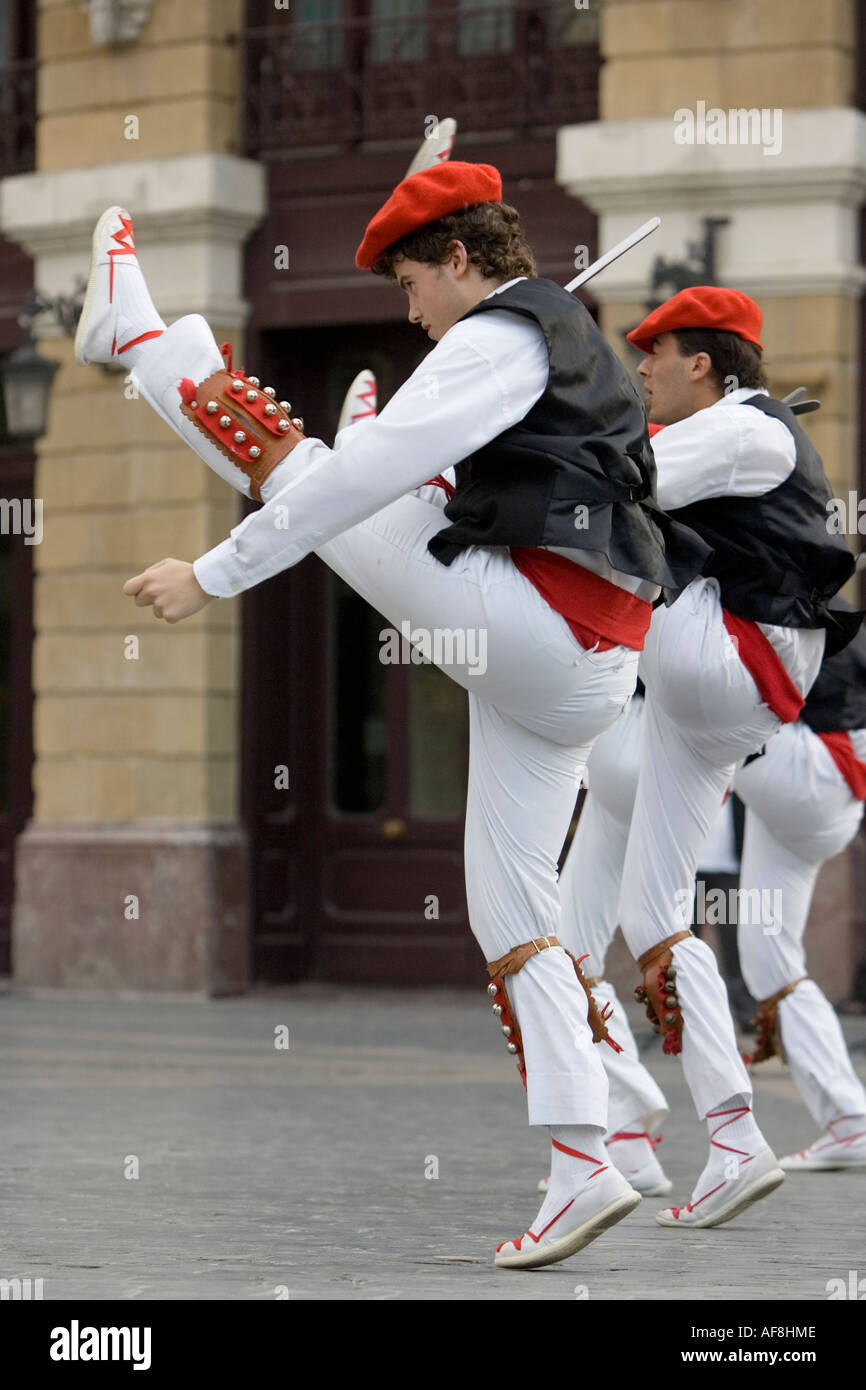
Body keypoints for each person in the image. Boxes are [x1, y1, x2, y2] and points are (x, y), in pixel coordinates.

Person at [74, 164, 706, 1269]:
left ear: (460, 259)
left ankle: (139, 333)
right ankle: (580, 1162)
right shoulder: (562, 347)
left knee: (300, 468)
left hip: (536, 632)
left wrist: (213, 575)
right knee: (512, 909)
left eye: (412, 281)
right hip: (583, 659)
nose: (407, 307)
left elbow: (348, 485)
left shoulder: (499, 339)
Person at [607, 286, 859, 1228]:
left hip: (734, 662)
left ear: (703, 362)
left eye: (654, 352)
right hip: (731, 689)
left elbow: (627, 473)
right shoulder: (741, 435)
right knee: (651, 911)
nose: (640, 367)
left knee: (594, 585)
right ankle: (732, 1137)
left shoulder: (748, 429)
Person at [735, 622, 866, 1171]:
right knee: (768, 957)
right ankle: (848, 1119)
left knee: (686, 711)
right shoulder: (808, 594)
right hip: (824, 788)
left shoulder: (792, 597)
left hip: (814, 772)